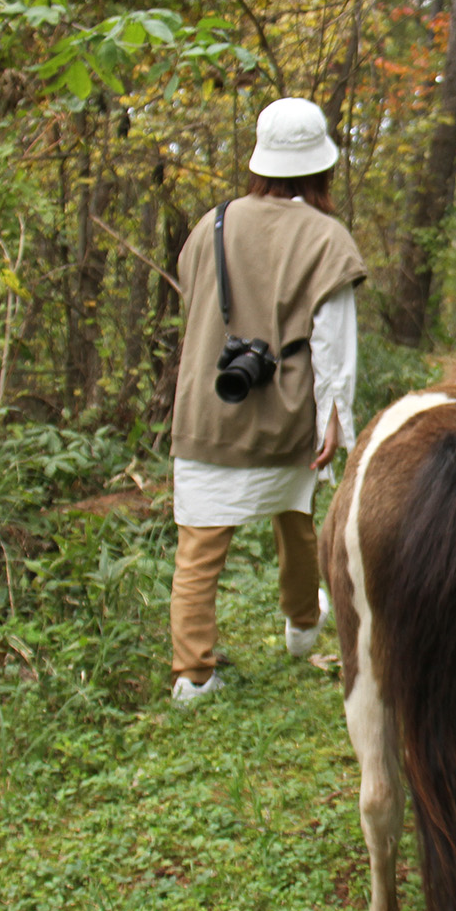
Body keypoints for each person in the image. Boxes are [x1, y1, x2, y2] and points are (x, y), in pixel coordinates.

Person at [166, 97, 366, 704]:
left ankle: (192, 674)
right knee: (297, 522)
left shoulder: (213, 222)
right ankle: (304, 625)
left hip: (209, 405)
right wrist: (336, 419)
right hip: (284, 412)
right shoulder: (326, 238)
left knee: (198, 547)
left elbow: (195, 304)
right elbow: (334, 341)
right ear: (321, 167)